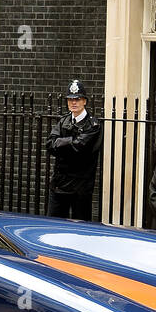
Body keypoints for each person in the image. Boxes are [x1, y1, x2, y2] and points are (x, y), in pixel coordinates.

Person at [46, 78, 103, 220]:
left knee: (80, 232)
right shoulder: (63, 121)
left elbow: (80, 147)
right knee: (53, 227)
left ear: (84, 101)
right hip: (59, 185)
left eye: (77, 99)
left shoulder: (93, 125)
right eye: (70, 99)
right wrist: (71, 142)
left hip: (80, 188)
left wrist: (61, 143)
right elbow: (49, 144)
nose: (73, 102)